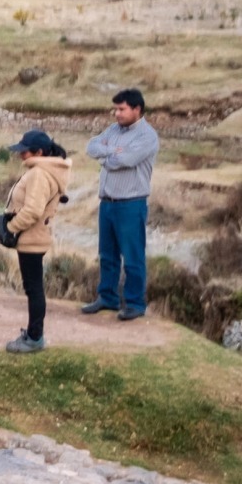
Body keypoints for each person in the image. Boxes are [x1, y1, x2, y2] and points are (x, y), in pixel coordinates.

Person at [81, 87, 157, 320]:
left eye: (122, 109)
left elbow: (125, 160)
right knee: (107, 255)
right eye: (115, 109)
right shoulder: (114, 130)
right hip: (108, 202)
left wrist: (108, 156)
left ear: (137, 109)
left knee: (132, 257)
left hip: (131, 204)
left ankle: (135, 303)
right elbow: (91, 147)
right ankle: (108, 297)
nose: (117, 114)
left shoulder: (147, 136)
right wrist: (112, 151)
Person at [2, 129, 71, 354]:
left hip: (31, 237)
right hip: (35, 235)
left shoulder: (40, 174)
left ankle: (34, 337)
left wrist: (10, 228)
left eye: (25, 151)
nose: (21, 155)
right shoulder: (45, 170)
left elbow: (32, 210)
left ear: (39, 152)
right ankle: (34, 334)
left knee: (34, 288)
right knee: (34, 287)